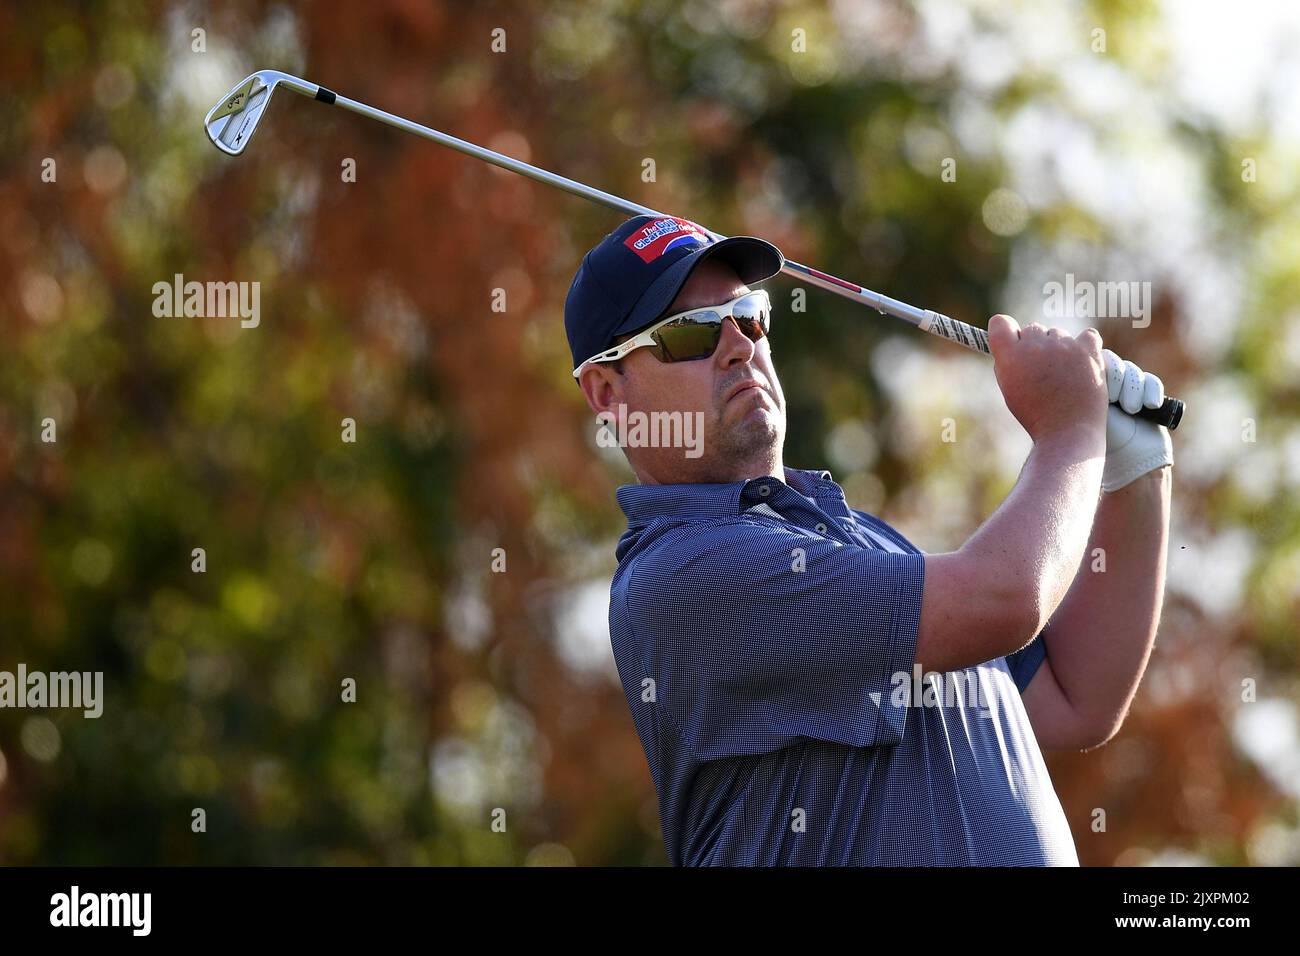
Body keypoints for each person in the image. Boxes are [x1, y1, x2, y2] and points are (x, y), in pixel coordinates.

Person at [566, 214, 1174, 866]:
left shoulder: (859, 539)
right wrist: (1069, 437)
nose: (739, 344)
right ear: (608, 392)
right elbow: (1004, 600)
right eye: (690, 332)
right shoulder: (681, 573)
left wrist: (1129, 474)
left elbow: (1076, 699)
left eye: (748, 314)